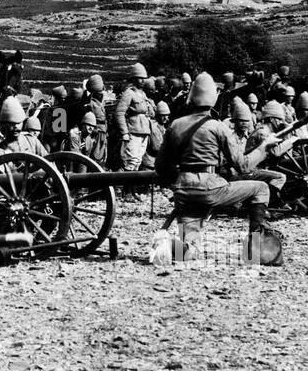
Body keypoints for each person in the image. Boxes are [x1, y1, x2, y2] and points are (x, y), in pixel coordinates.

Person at [154, 73, 283, 257]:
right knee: (261, 188)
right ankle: (258, 250)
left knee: (190, 248)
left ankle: (172, 250)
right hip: (210, 190)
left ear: (191, 98)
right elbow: (243, 166)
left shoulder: (175, 125)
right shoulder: (217, 126)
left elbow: (161, 166)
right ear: (213, 99)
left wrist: (180, 183)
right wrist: (264, 147)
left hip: (183, 192)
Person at [113, 63, 153, 170]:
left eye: (144, 78)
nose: (143, 80)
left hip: (144, 131)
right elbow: (119, 113)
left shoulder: (143, 94)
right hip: (133, 132)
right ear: (134, 79)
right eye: (140, 78)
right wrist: (124, 132)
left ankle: (130, 186)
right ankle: (123, 186)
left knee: (138, 162)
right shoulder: (129, 93)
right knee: (131, 162)